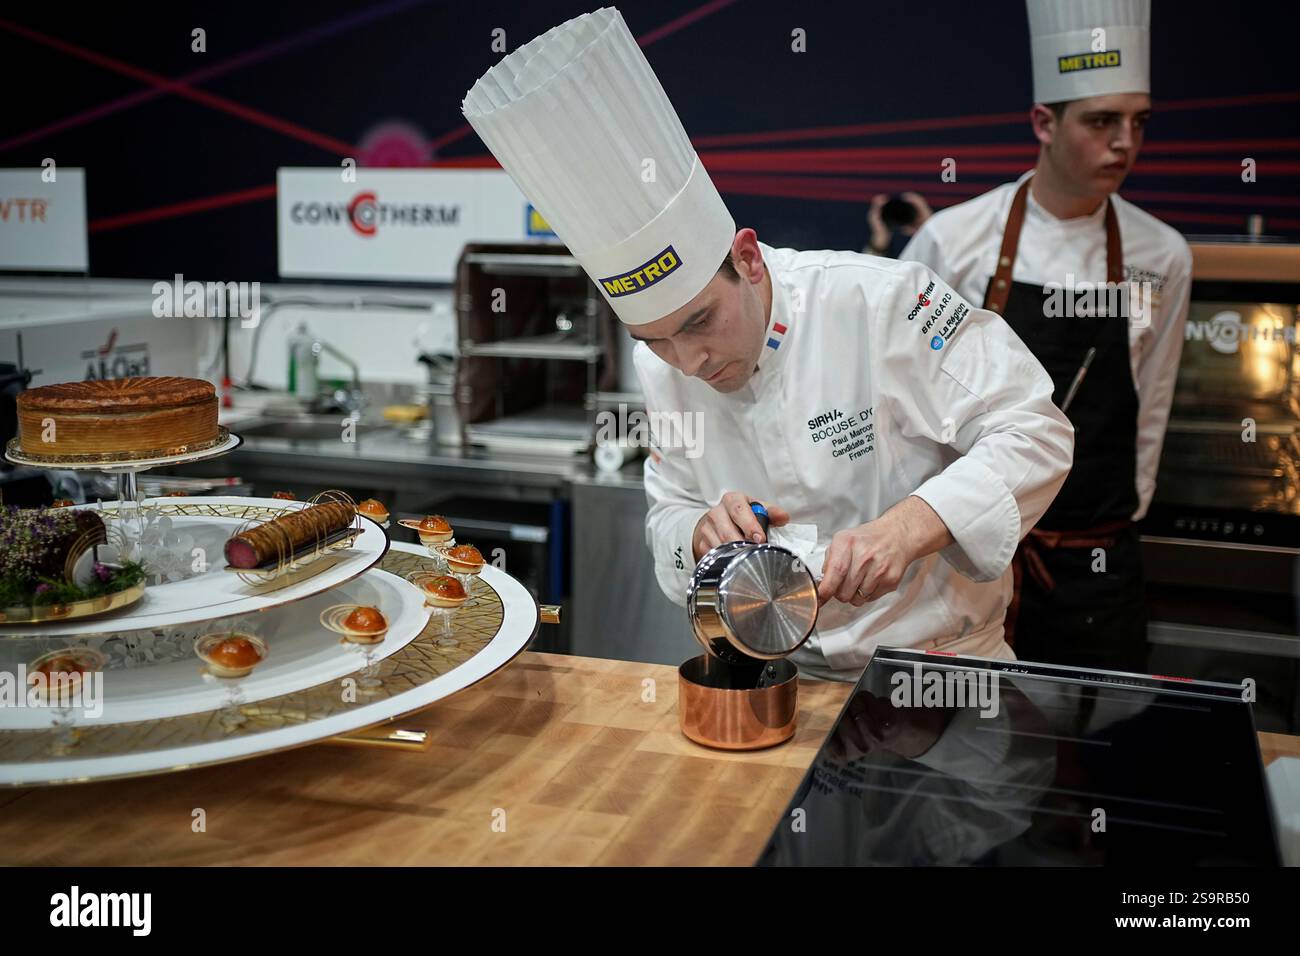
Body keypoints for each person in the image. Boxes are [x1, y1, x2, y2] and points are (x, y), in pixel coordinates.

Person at [464, 7, 1074, 680]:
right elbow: (668, 504)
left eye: (699, 322)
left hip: (941, 672)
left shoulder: (881, 302)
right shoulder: (660, 363)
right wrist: (699, 532)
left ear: (748, 260)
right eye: (655, 339)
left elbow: (1035, 430)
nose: (688, 362)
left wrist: (909, 527)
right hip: (783, 677)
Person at [901, 0, 1192, 674]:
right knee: (966, 758)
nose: (1125, 142)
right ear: (1043, 122)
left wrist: (1115, 528)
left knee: (1095, 758)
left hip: (1096, 567)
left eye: (1138, 122)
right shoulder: (953, 242)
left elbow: (1150, 410)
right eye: (1100, 122)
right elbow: (907, 409)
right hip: (968, 563)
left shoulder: (1162, 255)